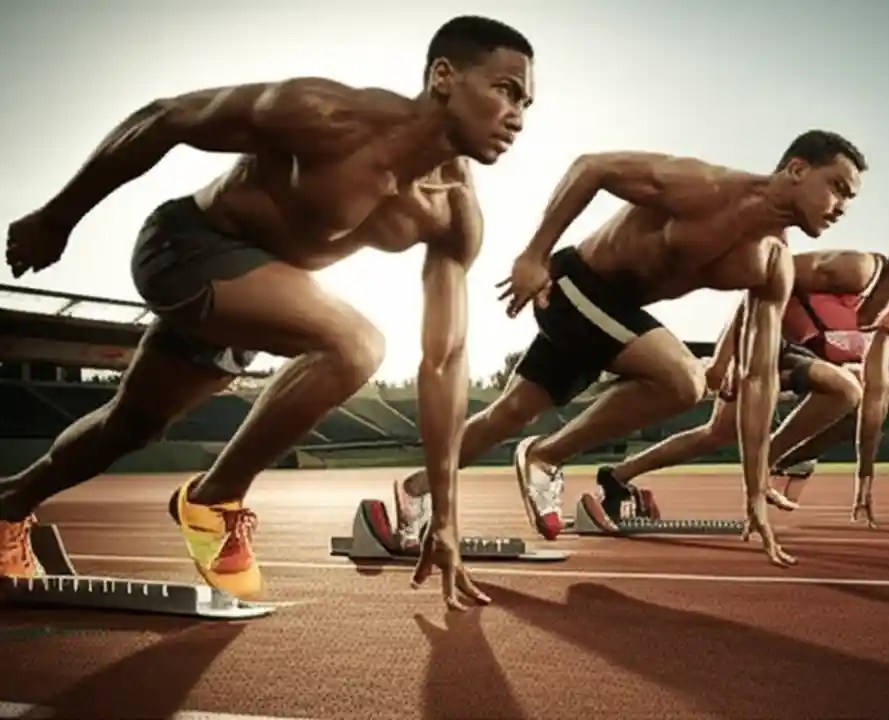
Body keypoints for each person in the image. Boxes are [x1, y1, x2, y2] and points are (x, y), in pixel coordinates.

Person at [0, 15, 534, 611]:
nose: (518, 115)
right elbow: (167, 117)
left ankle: (8, 506)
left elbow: (446, 358)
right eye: (507, 90)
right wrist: (57, 218)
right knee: (355, 344)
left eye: (527, 103)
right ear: (443, 76)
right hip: (185, 247)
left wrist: (445, 517)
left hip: (255, 293)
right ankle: (213, 498)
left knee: (128, 428)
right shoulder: (329, 115)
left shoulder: (453, 215)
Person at [393, 130, 868, 571]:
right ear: (798, 169)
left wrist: (753, 493)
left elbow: (759, 377)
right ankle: (545, 457)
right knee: (684, 380)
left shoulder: (773, 264)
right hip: (573, 285)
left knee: (510, 412)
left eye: (851, 198)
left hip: (610, 320)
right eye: (839, 187)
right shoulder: (704, 186)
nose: (843, 206)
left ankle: (416, 490)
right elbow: (592, 167)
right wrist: (534, 255)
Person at [592, 220, 889, 516]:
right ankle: (761, 467)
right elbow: (765, 278)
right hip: (763, 340)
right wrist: (725, 358)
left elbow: (879, 404)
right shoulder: (859, 269)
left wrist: (866, 481)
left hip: (790, 355)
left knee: (840, 392)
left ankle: (622, 474)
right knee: (839, 391)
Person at [771, 278, 889, 525]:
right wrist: (864, 486)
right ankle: (774, 441)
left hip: (822, 367)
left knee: (857, 413)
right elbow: (875, 399)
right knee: (860, 389)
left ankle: (791, 458)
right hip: (793, 339)